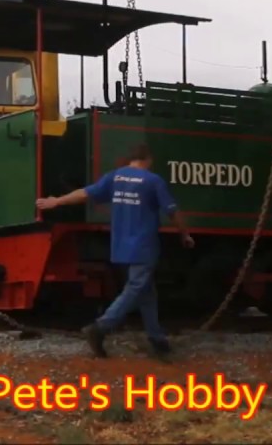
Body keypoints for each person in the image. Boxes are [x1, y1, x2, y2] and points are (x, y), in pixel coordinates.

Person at [36, 143, 195, 358]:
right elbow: (172, 211)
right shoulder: (153, 181)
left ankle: (157, 339)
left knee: (146, 291)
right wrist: (184, 233)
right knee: (136, 286)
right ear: (148, 160)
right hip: (144, 244)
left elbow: (85, 194)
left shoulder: (115, 177)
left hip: (121, 244)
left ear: (130, 159)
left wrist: (57, 201)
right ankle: (100, 327)